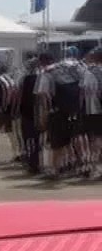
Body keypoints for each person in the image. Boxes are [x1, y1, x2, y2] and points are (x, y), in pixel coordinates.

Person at [35, 48, 86, 179]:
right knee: (77, 136)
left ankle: (56, 170)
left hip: (56, 111)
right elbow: (83, 90)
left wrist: (44, 114)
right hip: (75, 110)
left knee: (57, 143)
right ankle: (83, 164)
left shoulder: (48, 73)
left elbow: (43, 95)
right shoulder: (78, 68)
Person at [83, 47, 102, 178]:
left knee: (95, 140)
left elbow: (84, 92)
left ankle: (95, 168)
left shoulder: (90, 73)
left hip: (94, 110)